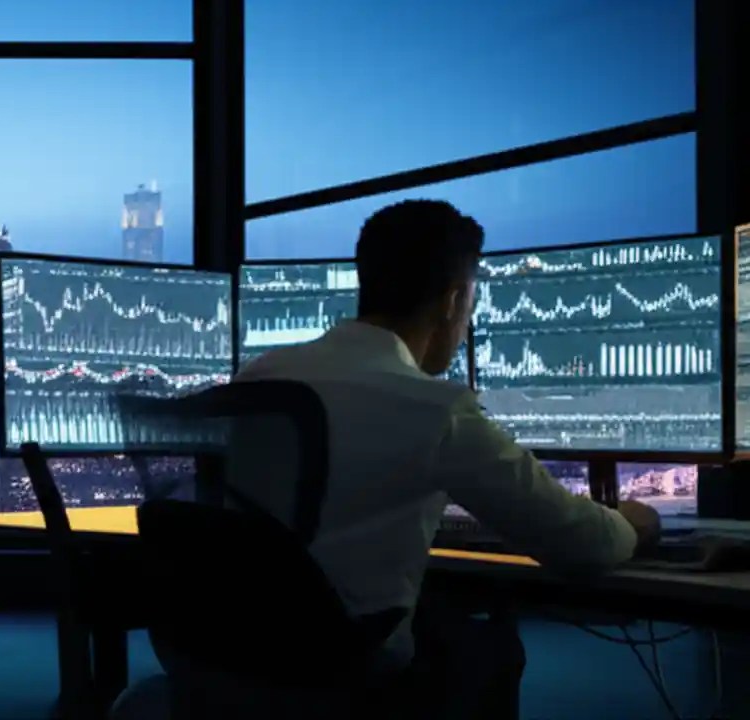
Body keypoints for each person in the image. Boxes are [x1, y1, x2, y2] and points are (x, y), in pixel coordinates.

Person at [216, 199, 662, 718]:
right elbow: (584, 545)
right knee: (492, 650)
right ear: (453, 301)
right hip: (348, 667)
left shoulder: (258, 376)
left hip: (237, 653)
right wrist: (633, 520)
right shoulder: (433, 408)